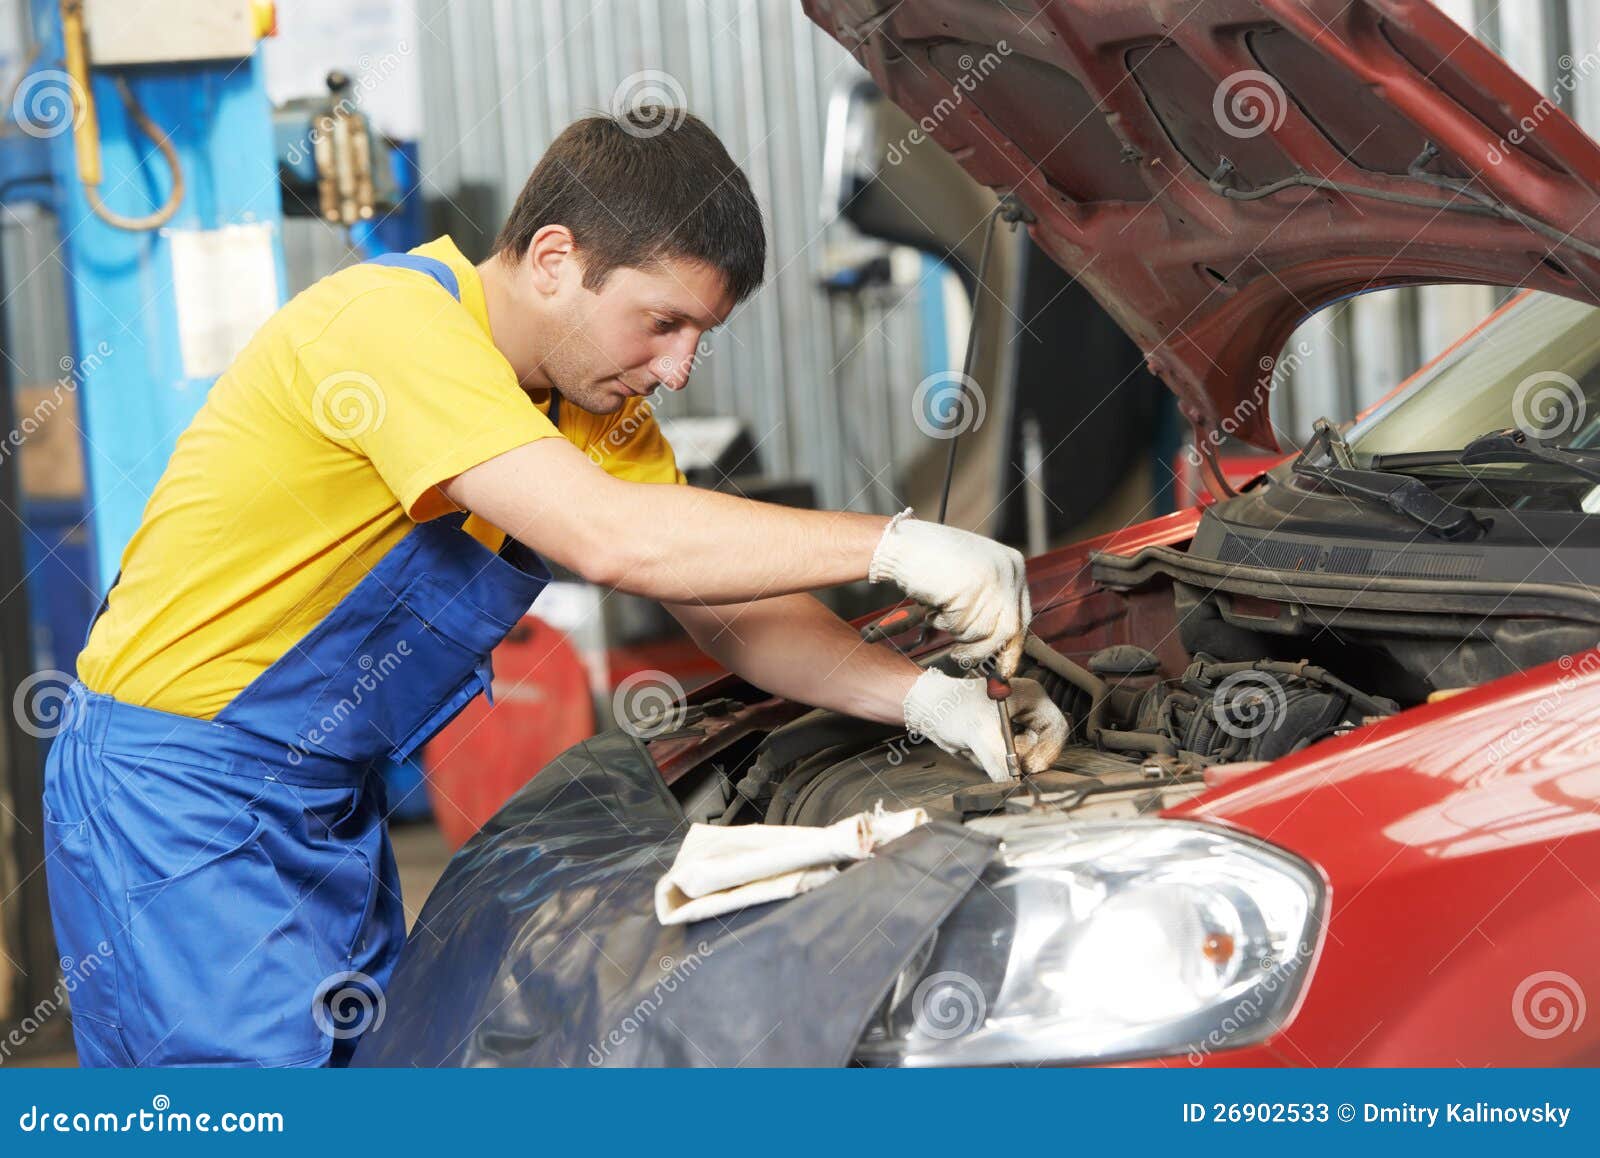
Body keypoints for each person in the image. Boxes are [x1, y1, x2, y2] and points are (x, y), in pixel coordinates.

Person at [42, 108, 1067, 1067]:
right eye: (661, 323)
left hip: (320, 805)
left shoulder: (587, 410)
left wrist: (922, 698)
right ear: (553, 259)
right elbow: (612, 537)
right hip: (180, 798)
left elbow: (733, 615)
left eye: (699, 335)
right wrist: (893, 545)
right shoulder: (383, 329)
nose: (678, 370)